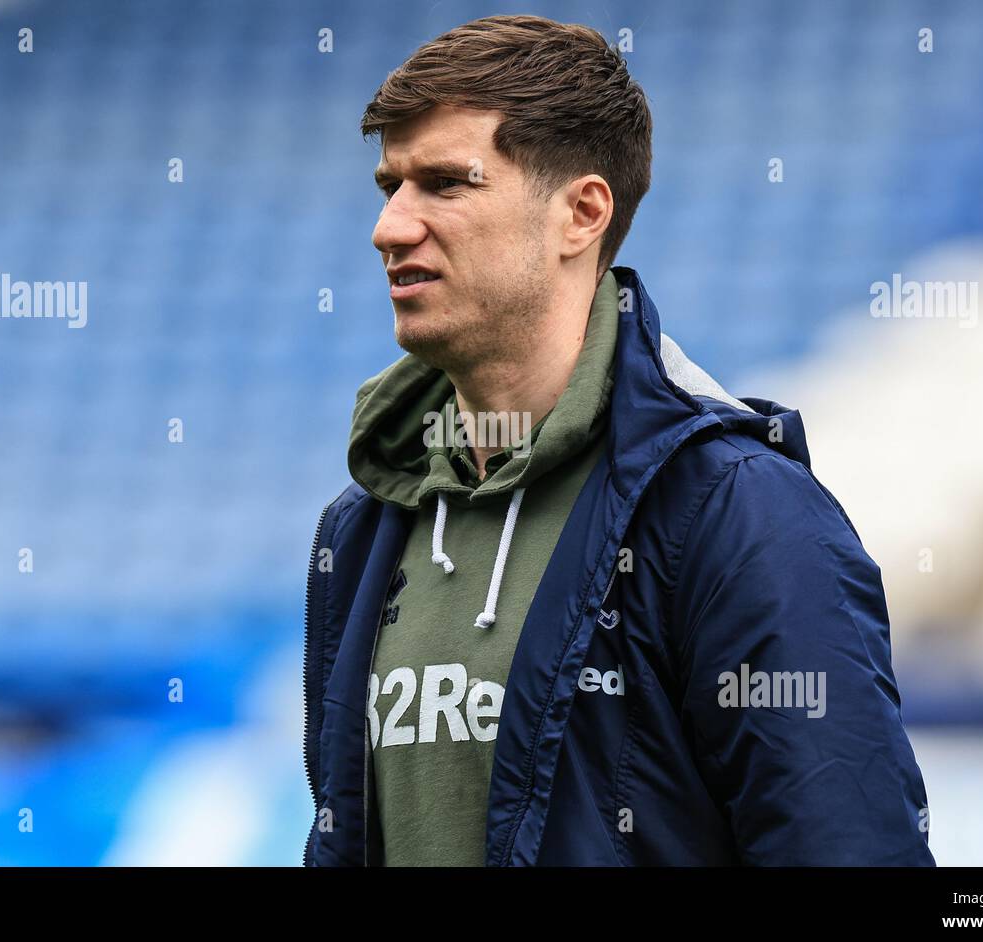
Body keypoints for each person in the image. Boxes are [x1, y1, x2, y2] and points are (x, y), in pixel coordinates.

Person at [302, 14, 934, 866]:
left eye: (446, 184)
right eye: (391, 187)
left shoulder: (736, 510)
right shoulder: (365, 523)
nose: (391, 227)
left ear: (581, 214)